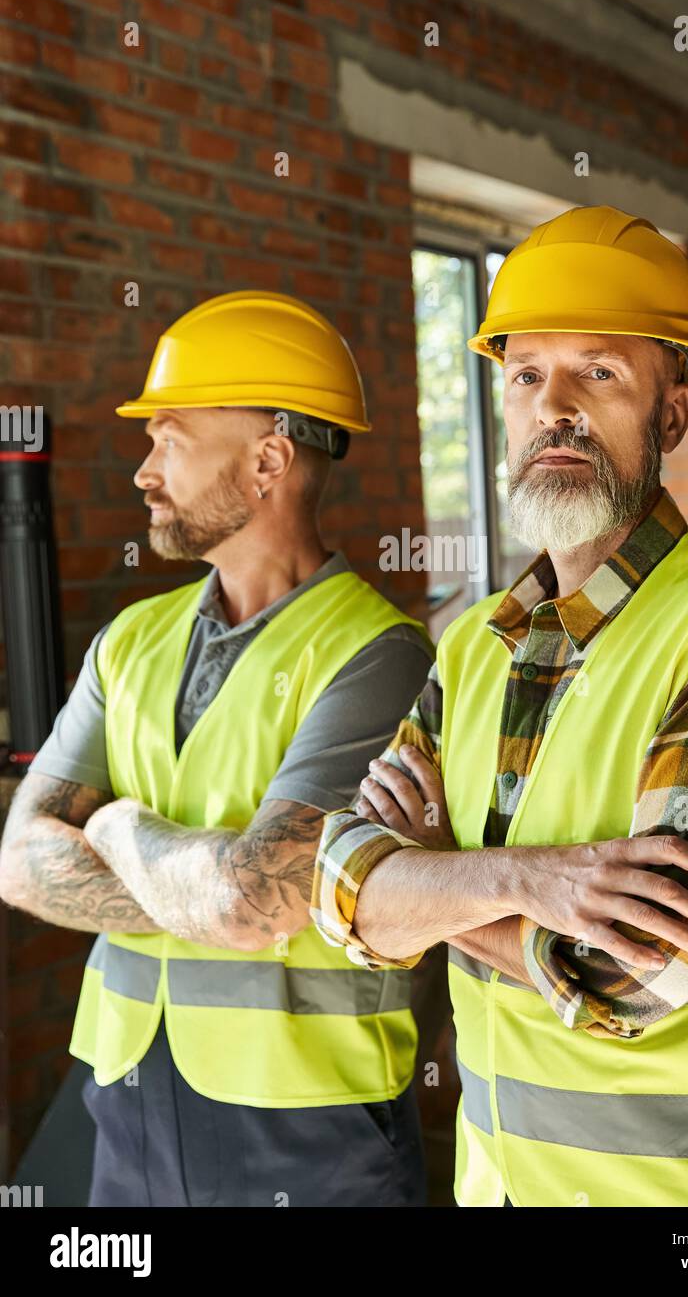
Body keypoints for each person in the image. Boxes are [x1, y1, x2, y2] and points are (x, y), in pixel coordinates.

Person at [312, 206, 688, 1207]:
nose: (550, 406)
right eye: (524, 375)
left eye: (596, 373)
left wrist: (436, 879)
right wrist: (537, 883)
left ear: (670, 417)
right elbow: (341, 896)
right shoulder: (476, 642)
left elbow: (634, 978)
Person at [0, 291, 434, 1207]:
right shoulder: (131, 639)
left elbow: (252, 901)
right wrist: (212, 882)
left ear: (268, 460)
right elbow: (20, 862)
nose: (143, 473)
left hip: (309, 1121)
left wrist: (114, 825)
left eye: (169, 439)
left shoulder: (379, 654)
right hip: (127, 1102)